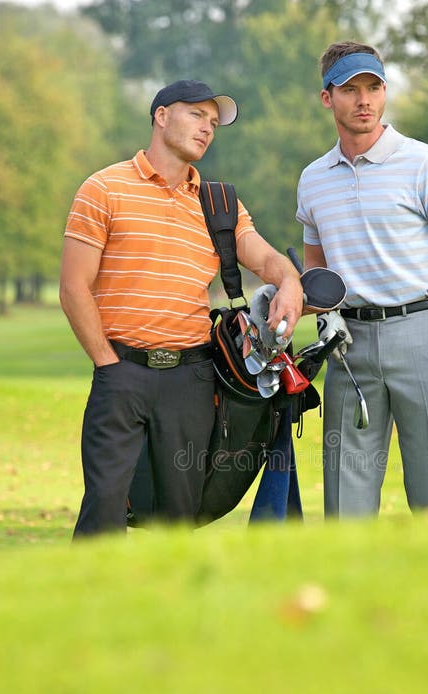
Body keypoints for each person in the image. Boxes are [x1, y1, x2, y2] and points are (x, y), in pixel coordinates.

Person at [60, 79, 303, 537]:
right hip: (121, 369)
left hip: (191, 379)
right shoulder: (103, 188)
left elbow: (266, 258)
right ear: (162, 115)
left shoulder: (219, 204)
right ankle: (88, 605)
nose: (208, 128)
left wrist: (289, 280)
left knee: (180, 514)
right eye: (197, 115)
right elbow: (74, 287)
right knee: (105, 508)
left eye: (214, 123)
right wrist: (106, 364)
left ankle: (168, 606)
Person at [296, 42, 428, 517]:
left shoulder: (426, 164)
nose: (364, 100)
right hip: (348, 347)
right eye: (350, 89)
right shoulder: (313, 179)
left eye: (374, 88)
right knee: (346, 502)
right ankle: (351, 591)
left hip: (423, 338)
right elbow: (316, 275)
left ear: (384, 92)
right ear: (327, 98)